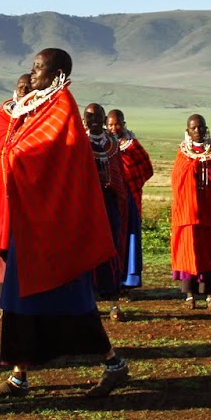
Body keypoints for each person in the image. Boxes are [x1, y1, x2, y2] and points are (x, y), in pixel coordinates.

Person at [0, 48, 128, 401]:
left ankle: (114, 364)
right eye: (32, 66)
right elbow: (6, 147)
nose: (32, 74)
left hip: (55, 225)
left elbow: (41, 155)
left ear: (58, 73)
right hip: (27, 223)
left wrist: (14, 153)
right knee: (18, 300)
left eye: (39, 68)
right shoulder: (32, 107)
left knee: (73, 302)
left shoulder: (60, 108)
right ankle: (19, 377)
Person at [0, 73, 32, 309]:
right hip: (1, 186)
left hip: (27, 189)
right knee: (4, 239)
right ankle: (3, 296)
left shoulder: (38, 114)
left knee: (24, 241)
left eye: (28, 86)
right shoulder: (5, 112)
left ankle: (24, 294)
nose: (23, 90)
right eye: (20, 86)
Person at [84, 102, 131, 321]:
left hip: (109, 202)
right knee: (86, 251)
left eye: (97, 116)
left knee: (110, 249)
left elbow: (118, 172)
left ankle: (113, 303)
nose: (93, 120)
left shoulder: (112, 142)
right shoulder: (78, 142)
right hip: (86, 205)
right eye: (89, 116)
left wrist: (112, 185)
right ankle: (86, 302)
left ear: (104, 120)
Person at [170, 114, 211, 309]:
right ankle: (190, 295)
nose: (197, 131)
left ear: (206, 128)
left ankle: (210, 296)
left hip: (210, 211)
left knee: (209, 253)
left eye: (200, 127)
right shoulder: (183, 153)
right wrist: (192, 168)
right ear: (188, 130)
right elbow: (177, 180)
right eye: (193, 128)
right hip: (188, 213)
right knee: (188, 251)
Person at [107, 109, 152, 294]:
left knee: (129, 238)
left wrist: (128, 180)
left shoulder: (132, 146)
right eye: (110, 124)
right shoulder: (103, 145)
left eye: (117, 124)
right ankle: (110, 279)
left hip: (130, 198)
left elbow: (147, 168)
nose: (114, 128)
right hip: (111, 198)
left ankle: (128, 281)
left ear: (123, 124)